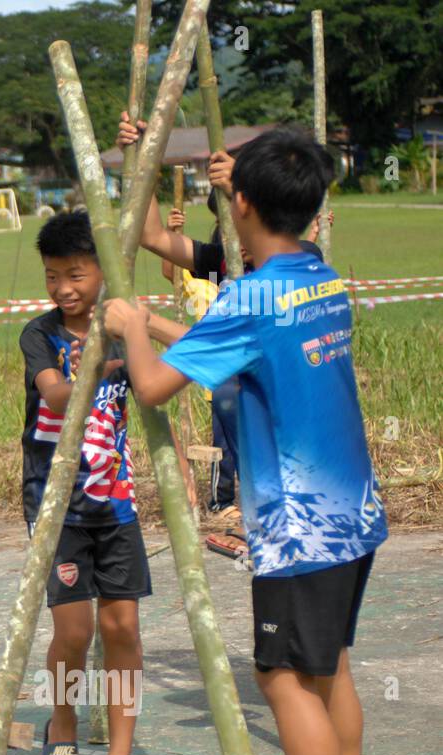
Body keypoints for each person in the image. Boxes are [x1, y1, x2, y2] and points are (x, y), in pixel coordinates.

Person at [103, 127, 388, 755]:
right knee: (331, 672)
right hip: (353, 512)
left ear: (244, 203)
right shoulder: (318, 276)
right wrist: (164, 327)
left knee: (282, 676)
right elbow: (233, 356)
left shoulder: (251, 294)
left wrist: (133, 326)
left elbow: (156, 387)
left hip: (301, 525)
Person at [20, 210, 169, 755]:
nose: (63, 288)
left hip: (116, 504)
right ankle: (63, 728)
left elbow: (157, 387)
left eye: (75, 274)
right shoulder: (40, 334)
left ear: (103, 272)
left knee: (124, 627)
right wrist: (90, 369)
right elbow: (54, 391)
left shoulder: (123, 328)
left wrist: (140, 328)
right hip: (57, 504)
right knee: (75, 632)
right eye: (52, 276)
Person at [117, 112, 332, 523]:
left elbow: (152, 387)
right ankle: (232, 505)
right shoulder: (229, 263)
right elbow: (153, 237)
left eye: (236, 204)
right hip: (242, 401)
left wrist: (137, 324)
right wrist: (146, 162)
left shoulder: (297, 267)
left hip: (305, 509)